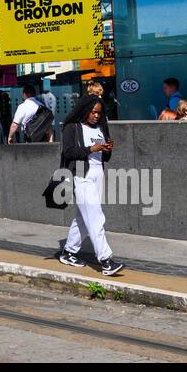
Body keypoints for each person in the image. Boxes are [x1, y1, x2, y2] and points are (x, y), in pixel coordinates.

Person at [57, 94, 123, 275]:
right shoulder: (73, 127)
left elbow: (105, 157)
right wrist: (91, 149)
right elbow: (68, 152)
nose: (96, 116)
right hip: (80, 176)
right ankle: (106, 260)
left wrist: (108, 149)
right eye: (93, 112)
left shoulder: (101, 128)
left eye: (99, 113)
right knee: (95, 217)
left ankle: (69, 252)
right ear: (85, 110)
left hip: (97, 175)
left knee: (83, 218)